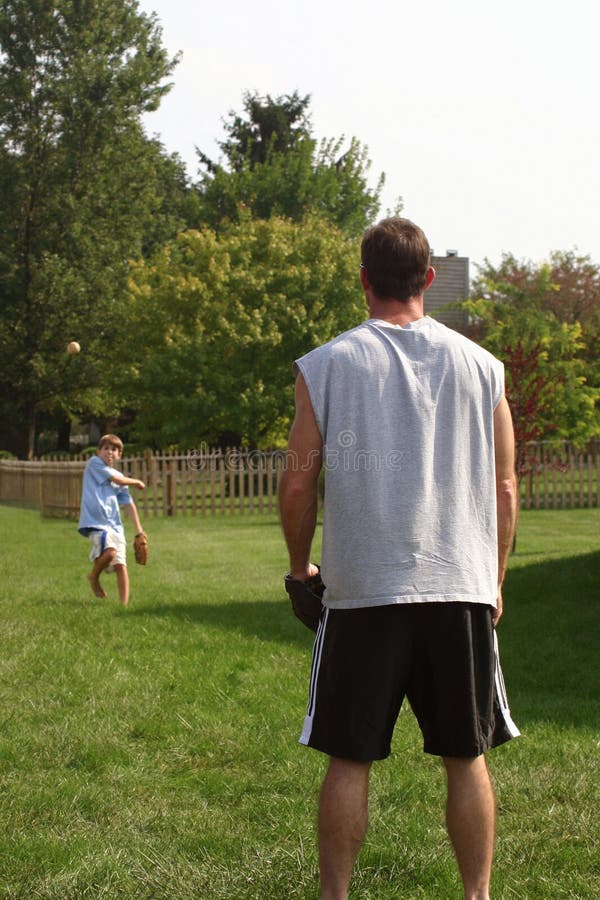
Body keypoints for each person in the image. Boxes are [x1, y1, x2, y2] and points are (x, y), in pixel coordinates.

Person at [278, 217, 520, 900]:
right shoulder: (486, 369)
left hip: (362, 592)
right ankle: (477, 896)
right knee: (465, 757)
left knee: (349, 757)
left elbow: (299, 480)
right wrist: (494, 580)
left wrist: (301, 571)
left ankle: (337, 897)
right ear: (430, 280)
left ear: (363, 280)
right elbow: (505, 487)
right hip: (461, 585)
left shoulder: (326, 364)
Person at [78, 433, 146, 607]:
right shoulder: (94, 464)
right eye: (106, 448)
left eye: (114, 449)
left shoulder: (120, 476)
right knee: (110, 552)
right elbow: (116, 479)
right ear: (98, 451)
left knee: (120, 565)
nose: (109, 452)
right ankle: (93, 576)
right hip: (95, 522)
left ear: (119, 454)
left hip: (115, 526)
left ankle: (123, 606)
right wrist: (136, 481)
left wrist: (139, 530)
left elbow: (129, 504)